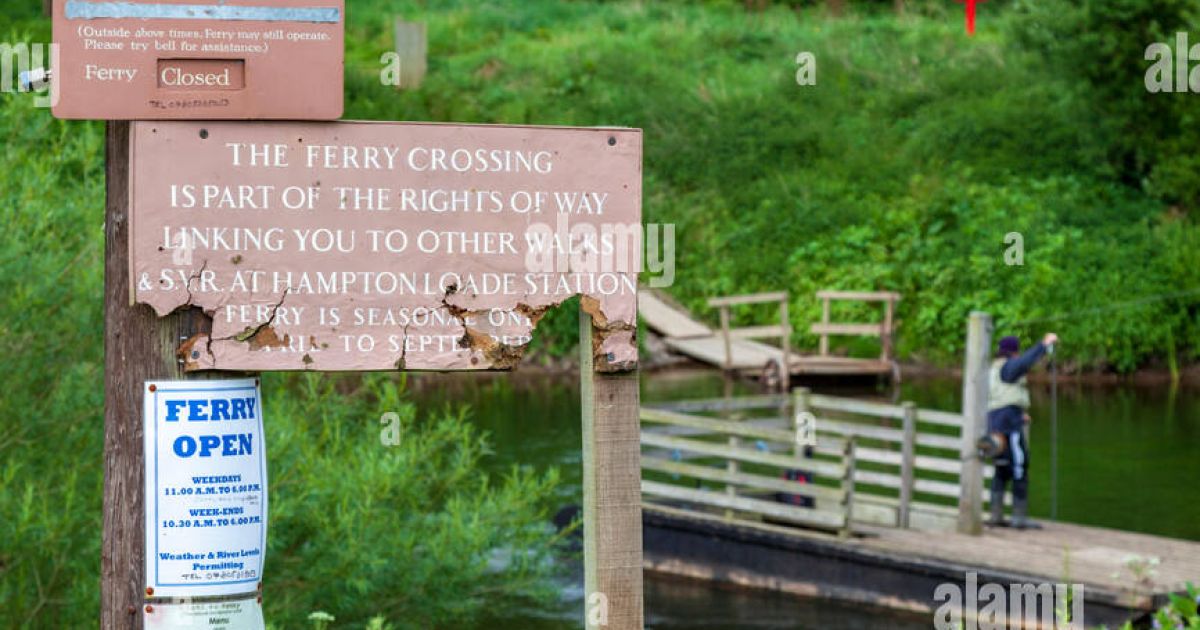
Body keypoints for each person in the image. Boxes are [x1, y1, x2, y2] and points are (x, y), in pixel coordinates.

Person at [985, 332, 1057, 530]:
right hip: (1009, 425)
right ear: (1013, 352)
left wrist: (1019, 413)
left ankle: (996, 516)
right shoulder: (1009, 366)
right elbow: (1026, 362)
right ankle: (1019, 518)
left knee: (1001, 468)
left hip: (996, 423)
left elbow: (1000, 398)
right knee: (1019, 466)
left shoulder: (994, 368)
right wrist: (1044, 344)